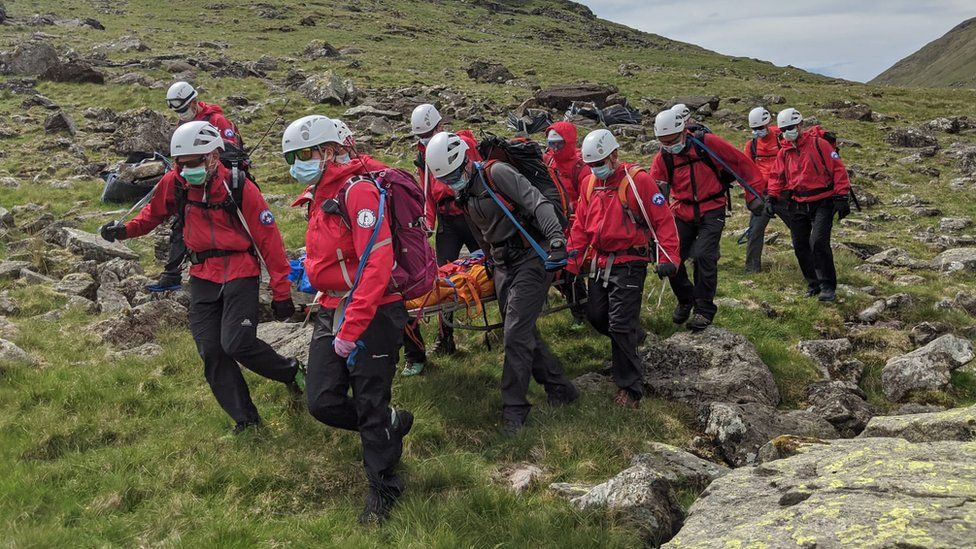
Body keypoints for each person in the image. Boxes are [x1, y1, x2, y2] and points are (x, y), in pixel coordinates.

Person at [99, 121, 302, 436]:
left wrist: (282, 293)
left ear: (214, 155)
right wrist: (123, 231)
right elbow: (152, 214)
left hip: (240, 272)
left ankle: (291, 373)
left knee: (237, 342)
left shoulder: (238, 186)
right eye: (183, 162)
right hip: (202, 276)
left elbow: (270, 242)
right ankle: (246, 421)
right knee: (211, 350)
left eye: (196, 161)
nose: (188, 168)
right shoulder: (175, 181)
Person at [283, 115, 413, 525]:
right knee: (321, 400)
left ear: (329, 151)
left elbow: (376, 263)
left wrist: (353, 326)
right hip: (331, 309)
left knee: (371, 401)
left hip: (372, 311)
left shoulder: (358, 193)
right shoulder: (319, 195)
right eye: (292, 156)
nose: (296, 163)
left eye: (304, 153)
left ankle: (383, 489)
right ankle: (390, 425)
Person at [425, 131, 579, 434]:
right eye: (446, 179)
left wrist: (557, 239)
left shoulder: (498, 173)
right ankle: (561, 389)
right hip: (502, 265)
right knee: (522, 332)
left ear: (465, 162)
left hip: (533, 258)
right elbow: (482, 233)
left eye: (455, 174)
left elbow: (538, 204)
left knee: (515, 335)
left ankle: (514, 411)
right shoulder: (464, 193)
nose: (452, 181)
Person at [568, 129, 681, 408]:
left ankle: (630, 387)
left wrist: (669, 257)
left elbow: (663, 220)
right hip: (600, 261)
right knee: (595, 316)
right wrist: (571, 261)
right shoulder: (590, 184)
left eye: (600, 162)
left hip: (630, 261)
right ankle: (633, 338)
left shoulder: (638, 181)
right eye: (591, 164)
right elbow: (581, 225)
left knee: (618, 325)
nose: (596, 168)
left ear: (614, 155)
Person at [651, 109, 766, 331]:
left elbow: (741, 163)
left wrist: (754, 196)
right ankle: (686, 298)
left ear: (683, 132)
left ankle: (703, 310)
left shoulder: (708, 144)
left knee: (704, 255)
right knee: (670, 257)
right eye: (663, 142)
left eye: (672, 141)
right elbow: (656, 193)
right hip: (682, 211)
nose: (669, 146)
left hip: (712, 209)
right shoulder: (663, 157)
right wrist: (653, 227)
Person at [401, 104, 483, 377]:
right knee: (441, 279)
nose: (423, 138)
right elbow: (427, 194)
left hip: (471, 215)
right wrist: (429, 223)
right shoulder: (422, 155)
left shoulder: (462, 144)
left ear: (439, 126)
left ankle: (508, 326)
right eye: (420, 134)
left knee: (492, 266)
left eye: (427, 132)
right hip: (448, 220)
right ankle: (445, 338)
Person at [149, 81, 245, 293]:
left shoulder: (218, 121)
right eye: (177, 111)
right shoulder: (182, 125)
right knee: (180, 225)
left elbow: (232, 153)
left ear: (194, 102)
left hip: (220, 185)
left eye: (183, 109)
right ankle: (172, 274)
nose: (181, 114)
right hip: (191, 184)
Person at [767, 108, 851, 302]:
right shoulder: (784, 152)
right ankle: (813, 284)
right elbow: (776, 176)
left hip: (823, 201)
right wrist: (771, 197)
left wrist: (841, 196)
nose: (787, 132)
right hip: (796, 203)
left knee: (819, 243)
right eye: (783, 130)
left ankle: (828, 286)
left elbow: (838, 170)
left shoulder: (819, 144)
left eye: (790, 127)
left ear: (799, 125)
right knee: (800, 245)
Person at [543, 121, 592, 327]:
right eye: (551, 144)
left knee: (570, 269)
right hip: (556, 224)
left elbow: (589, 201)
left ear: (569, 142)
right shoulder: (550, 164)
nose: (554, 149)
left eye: (558, 145)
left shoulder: (582, 169)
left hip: (577, 226)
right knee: (555, 269)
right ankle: (582, 309)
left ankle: (582, 313)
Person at [741, 107, 783, 273]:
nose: (757, 132)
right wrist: (751, 198)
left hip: (784, 193)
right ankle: (752, 269)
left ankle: (812, 266)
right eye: (754, 129)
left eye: (760, 128)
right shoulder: (751, 146)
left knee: (799, 230)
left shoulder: (781, 138)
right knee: (755, 231)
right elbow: (746, 173)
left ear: (768, 123)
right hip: (763, 195)